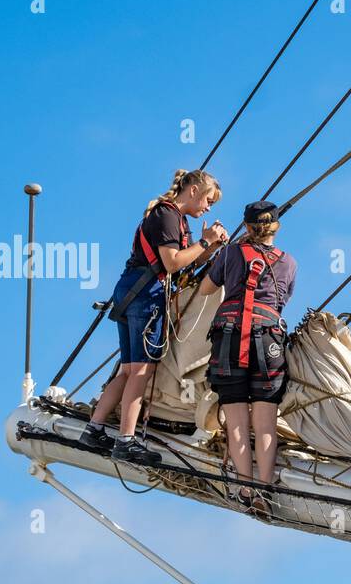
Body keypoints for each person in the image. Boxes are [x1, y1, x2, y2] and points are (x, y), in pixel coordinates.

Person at [81, 169, 227, 464]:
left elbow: (183, 263)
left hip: (133, 291)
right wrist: (204, 242)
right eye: (209, 200)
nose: (209, 208)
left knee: (127, 369)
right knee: (140, 372)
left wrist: (209, 247)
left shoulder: (175, 219)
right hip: (145, 296)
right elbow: (172, 264)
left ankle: (93, 429)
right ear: (195, 189)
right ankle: (126, 441)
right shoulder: (168, 215)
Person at [197, 200, 298, 507]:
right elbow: (282, 303)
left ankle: (245, 489)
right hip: (268, 339)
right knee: (265, 424)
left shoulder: (230, 253)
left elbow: (205, 289)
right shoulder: (289, 262)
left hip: (229, 339)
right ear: (275, 227)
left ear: (247, 226)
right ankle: (265, 490)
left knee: (238, 424)